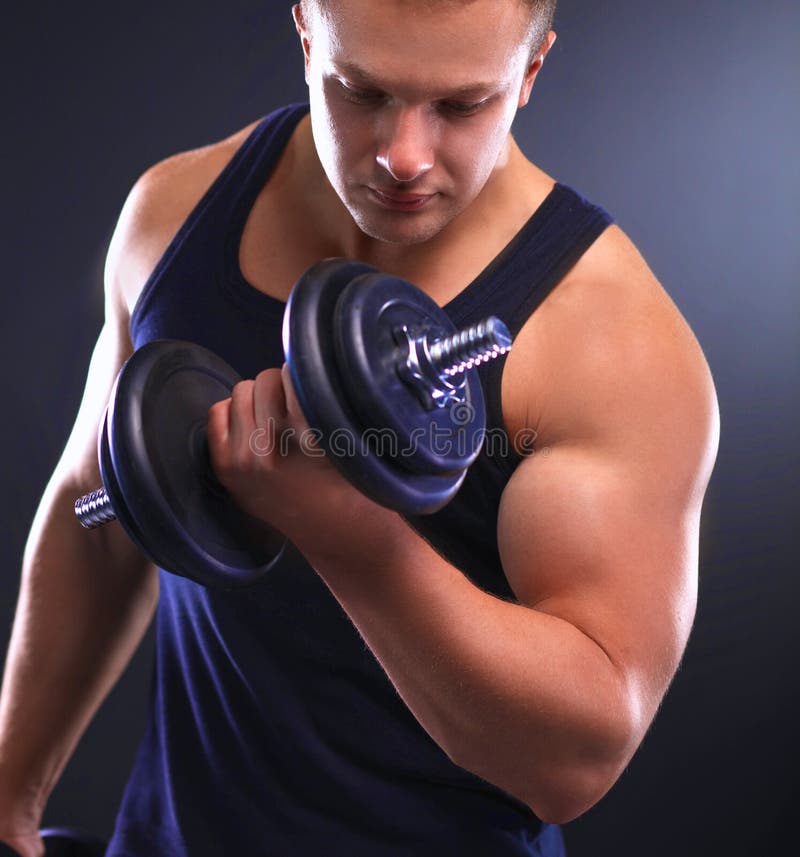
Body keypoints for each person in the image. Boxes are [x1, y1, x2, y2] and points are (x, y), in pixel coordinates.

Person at [0, 0, 720, 855]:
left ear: (529, 74)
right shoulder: (175, 215)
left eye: (460, 106)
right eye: (361, 89)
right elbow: (101, 511)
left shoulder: (609, 345)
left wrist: (353, 539)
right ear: (306, 34)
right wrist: (11, 792)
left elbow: (573, 760)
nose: (402, 156)